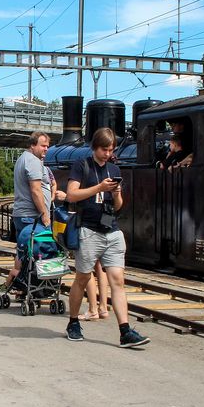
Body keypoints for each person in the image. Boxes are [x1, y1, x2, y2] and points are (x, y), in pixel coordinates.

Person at [64, 127, 149, 348]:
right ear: (94, 147)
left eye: (110, 149)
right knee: (82, 279)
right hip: (89, 230)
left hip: (111, 230)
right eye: (104, 149)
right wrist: (99, 187)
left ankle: (125, 331)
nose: (107, 153)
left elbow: (119, 207)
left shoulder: (113, 168)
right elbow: (72, 194)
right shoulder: (82, 166)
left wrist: (117, 194)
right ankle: (73, 322)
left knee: (118, 281)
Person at [0, 131, 64, 291]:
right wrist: (45, 214)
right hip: (32, 217)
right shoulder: (33, 161)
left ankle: (19, 287)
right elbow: (36, 190)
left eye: (48, 146)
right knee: (38, 254)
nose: (46, 149)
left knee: (25, 254)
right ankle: (32, 288)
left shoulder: (24, 159)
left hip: (25, 215)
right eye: (43, 145)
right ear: (32, 145)